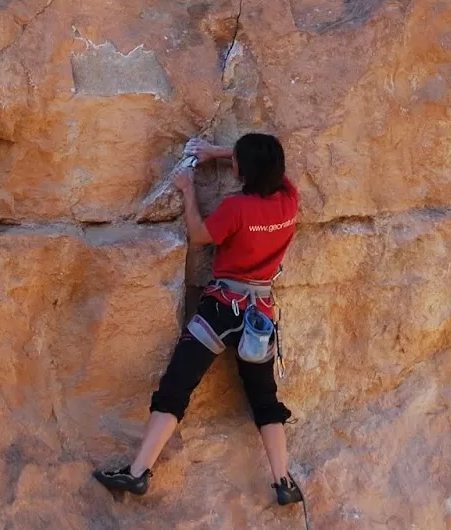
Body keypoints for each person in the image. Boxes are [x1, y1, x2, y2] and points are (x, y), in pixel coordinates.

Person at [93, 133, 304, 506]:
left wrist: (188, 189)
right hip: (260, 314)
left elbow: (199, 236)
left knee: (176, 386)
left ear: (244, 169)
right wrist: (218, 152)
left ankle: (138, 472)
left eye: (235, 159)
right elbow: (267, 163)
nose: (231, 162)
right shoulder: (289, 201)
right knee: (265, 399)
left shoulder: (236, 208)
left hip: (222, 308)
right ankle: (283, 480)